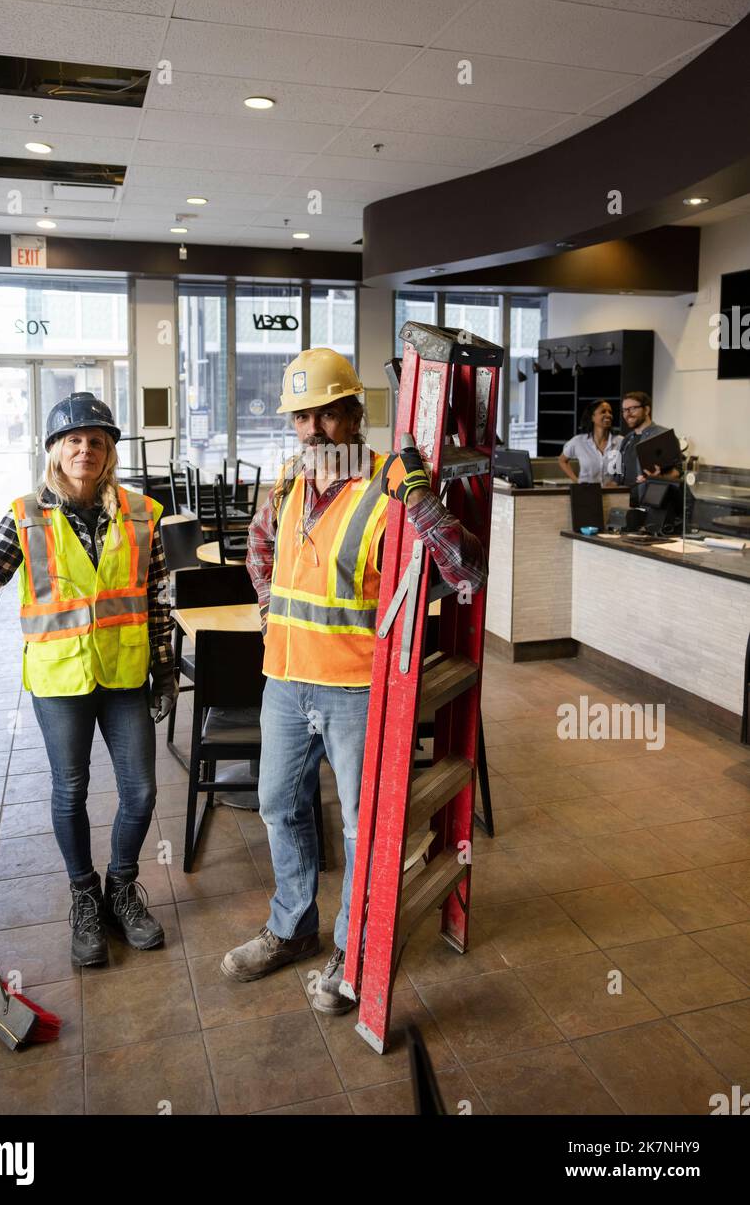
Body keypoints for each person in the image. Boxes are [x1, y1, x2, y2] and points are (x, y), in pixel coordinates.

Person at [220, 348, 487, 1014]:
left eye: (326, 415)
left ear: (352, 415)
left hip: (353, 689)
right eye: (301, 416)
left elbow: (465, 571)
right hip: (283, 679)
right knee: (278, 805)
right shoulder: (285, 482)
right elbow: (257, 546)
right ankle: (292, 928)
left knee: (362, 830)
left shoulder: (388, 486)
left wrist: (418, 497)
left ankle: (352, 944)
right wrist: (264, 606)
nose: (312, 429)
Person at [0, 393, 177, 968]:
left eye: (97, 440)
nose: (84, 450)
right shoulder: (25, 514)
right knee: (71, 791)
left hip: (123, 673)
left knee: (140, 791)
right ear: (53, 450)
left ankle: (121, 887)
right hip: (59, 677)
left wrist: (164, 670)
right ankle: (84, 896)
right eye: (73, 440)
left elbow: (157, 597)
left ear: (110, 450)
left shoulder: (142, 512)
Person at [617, 391, 681, 489]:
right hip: (624, 499)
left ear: (646, 410)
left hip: (648, 500)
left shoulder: (663, 435)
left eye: (632, 408)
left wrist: (659, 478)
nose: (627, 414)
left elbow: (677, 471)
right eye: (624, 410)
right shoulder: (627, 439)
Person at [558, 401, 622, 485]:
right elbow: (562, 460)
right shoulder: (578, 441)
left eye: (610, 412)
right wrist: (576, 481)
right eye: (603, 412)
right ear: (592, 417)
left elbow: (625, 470)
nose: (608, 415)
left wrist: (615, 483)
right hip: (586, 494)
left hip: (613, 495)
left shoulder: (620, 441)